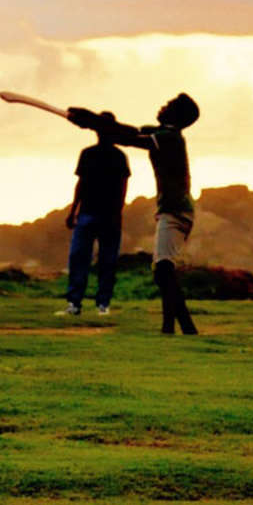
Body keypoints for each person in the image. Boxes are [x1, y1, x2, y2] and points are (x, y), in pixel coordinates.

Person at [68, 93, 200, 335]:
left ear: (177, 116)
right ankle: (169, 327)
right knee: (162, 271)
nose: (162, 106)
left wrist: (91, 120)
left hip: (175, 211)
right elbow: (125, 132)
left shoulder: (169, 138)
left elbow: (128, 138)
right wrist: (92, 120)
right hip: (173, 211)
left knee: (163, 270)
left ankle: (186, 328)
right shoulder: (161, 133)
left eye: (168, 105)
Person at [57, 112, 130, 317]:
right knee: (81, 257)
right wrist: (74, 211)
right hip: (90, 212)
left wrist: (116, 211)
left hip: (104, 214)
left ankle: (100, 303)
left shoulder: (117, 156)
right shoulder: (89, 154)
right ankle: (77, 303)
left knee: (103, 260)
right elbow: (81, 184)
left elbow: (123, 187)